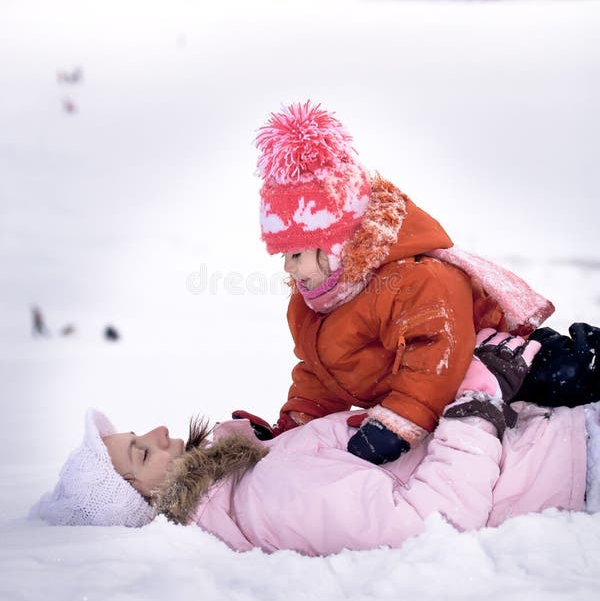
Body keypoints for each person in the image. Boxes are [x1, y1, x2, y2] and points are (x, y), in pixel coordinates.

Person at [31, 331, 600, 556]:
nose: (159, 432)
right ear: (145, 500)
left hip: (556, 442)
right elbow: (429, 524)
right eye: (142, 452)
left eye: (139, 434)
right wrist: (476, 403)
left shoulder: (251, 475)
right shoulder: (266, 497)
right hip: (568, 463)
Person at [236, 101, 554, 464]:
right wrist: (295, 426)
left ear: (336, 247)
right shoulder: (314, 302)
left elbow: (437, 347)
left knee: (569, 374)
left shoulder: (414, 279)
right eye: (282, 255)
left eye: (296, 254)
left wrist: (401, 418)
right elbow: (321, 372)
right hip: (445, 397)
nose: (288, 268)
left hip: (510, 366)